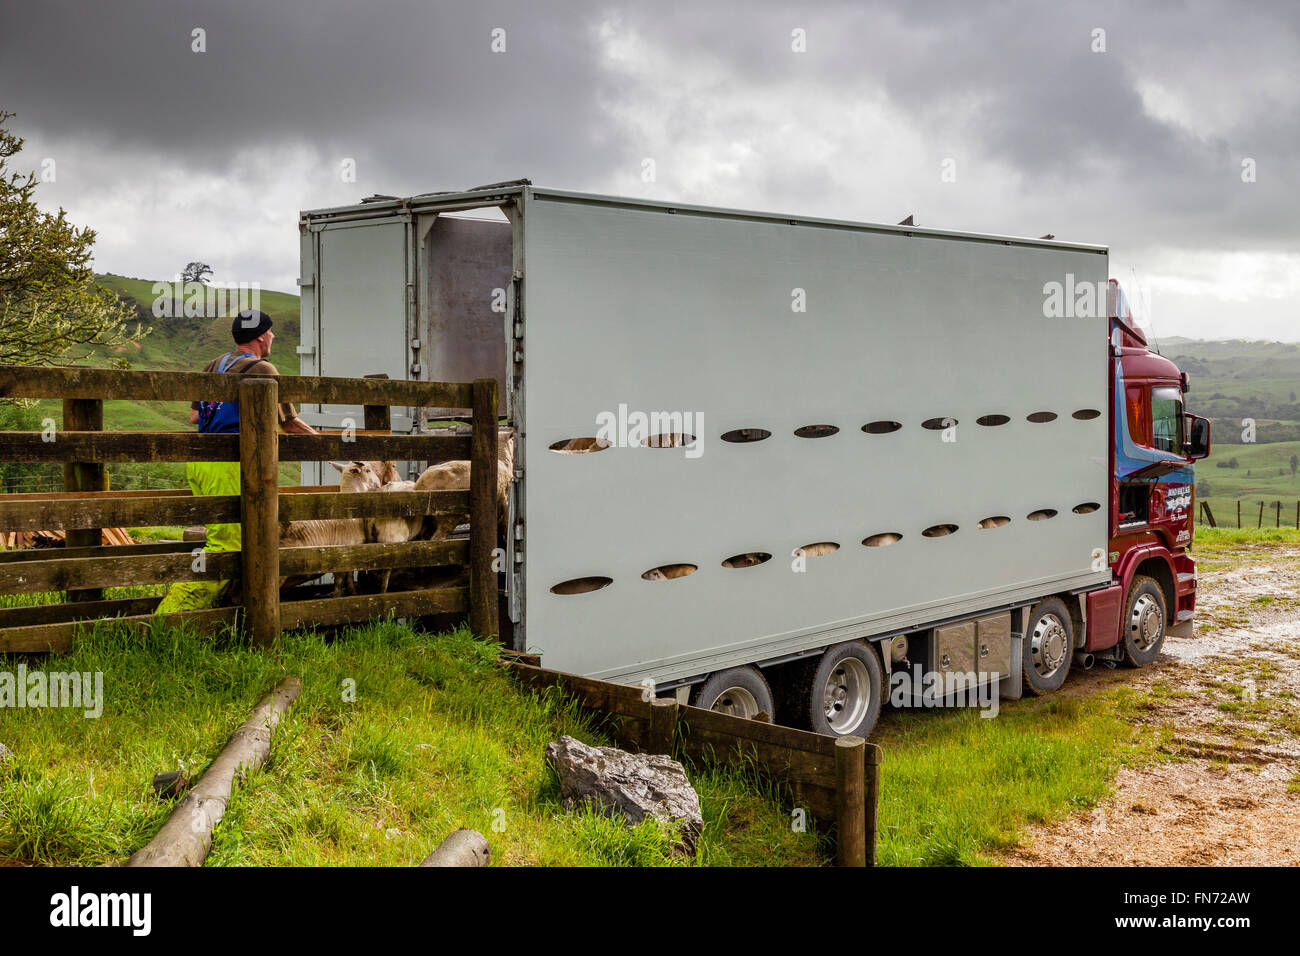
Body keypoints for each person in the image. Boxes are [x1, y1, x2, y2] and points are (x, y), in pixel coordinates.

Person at [155, 309, 317, 614]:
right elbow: (291, 424)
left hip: (200, 462)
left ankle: (214, 615)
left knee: (228, 537)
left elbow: (193, 416)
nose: (272, 337)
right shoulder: (264, 369)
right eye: (270, 332)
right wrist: (327, 442)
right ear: (260, 336)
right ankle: (167, 619)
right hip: (229, 464)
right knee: (228, 545)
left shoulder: (213, 365)